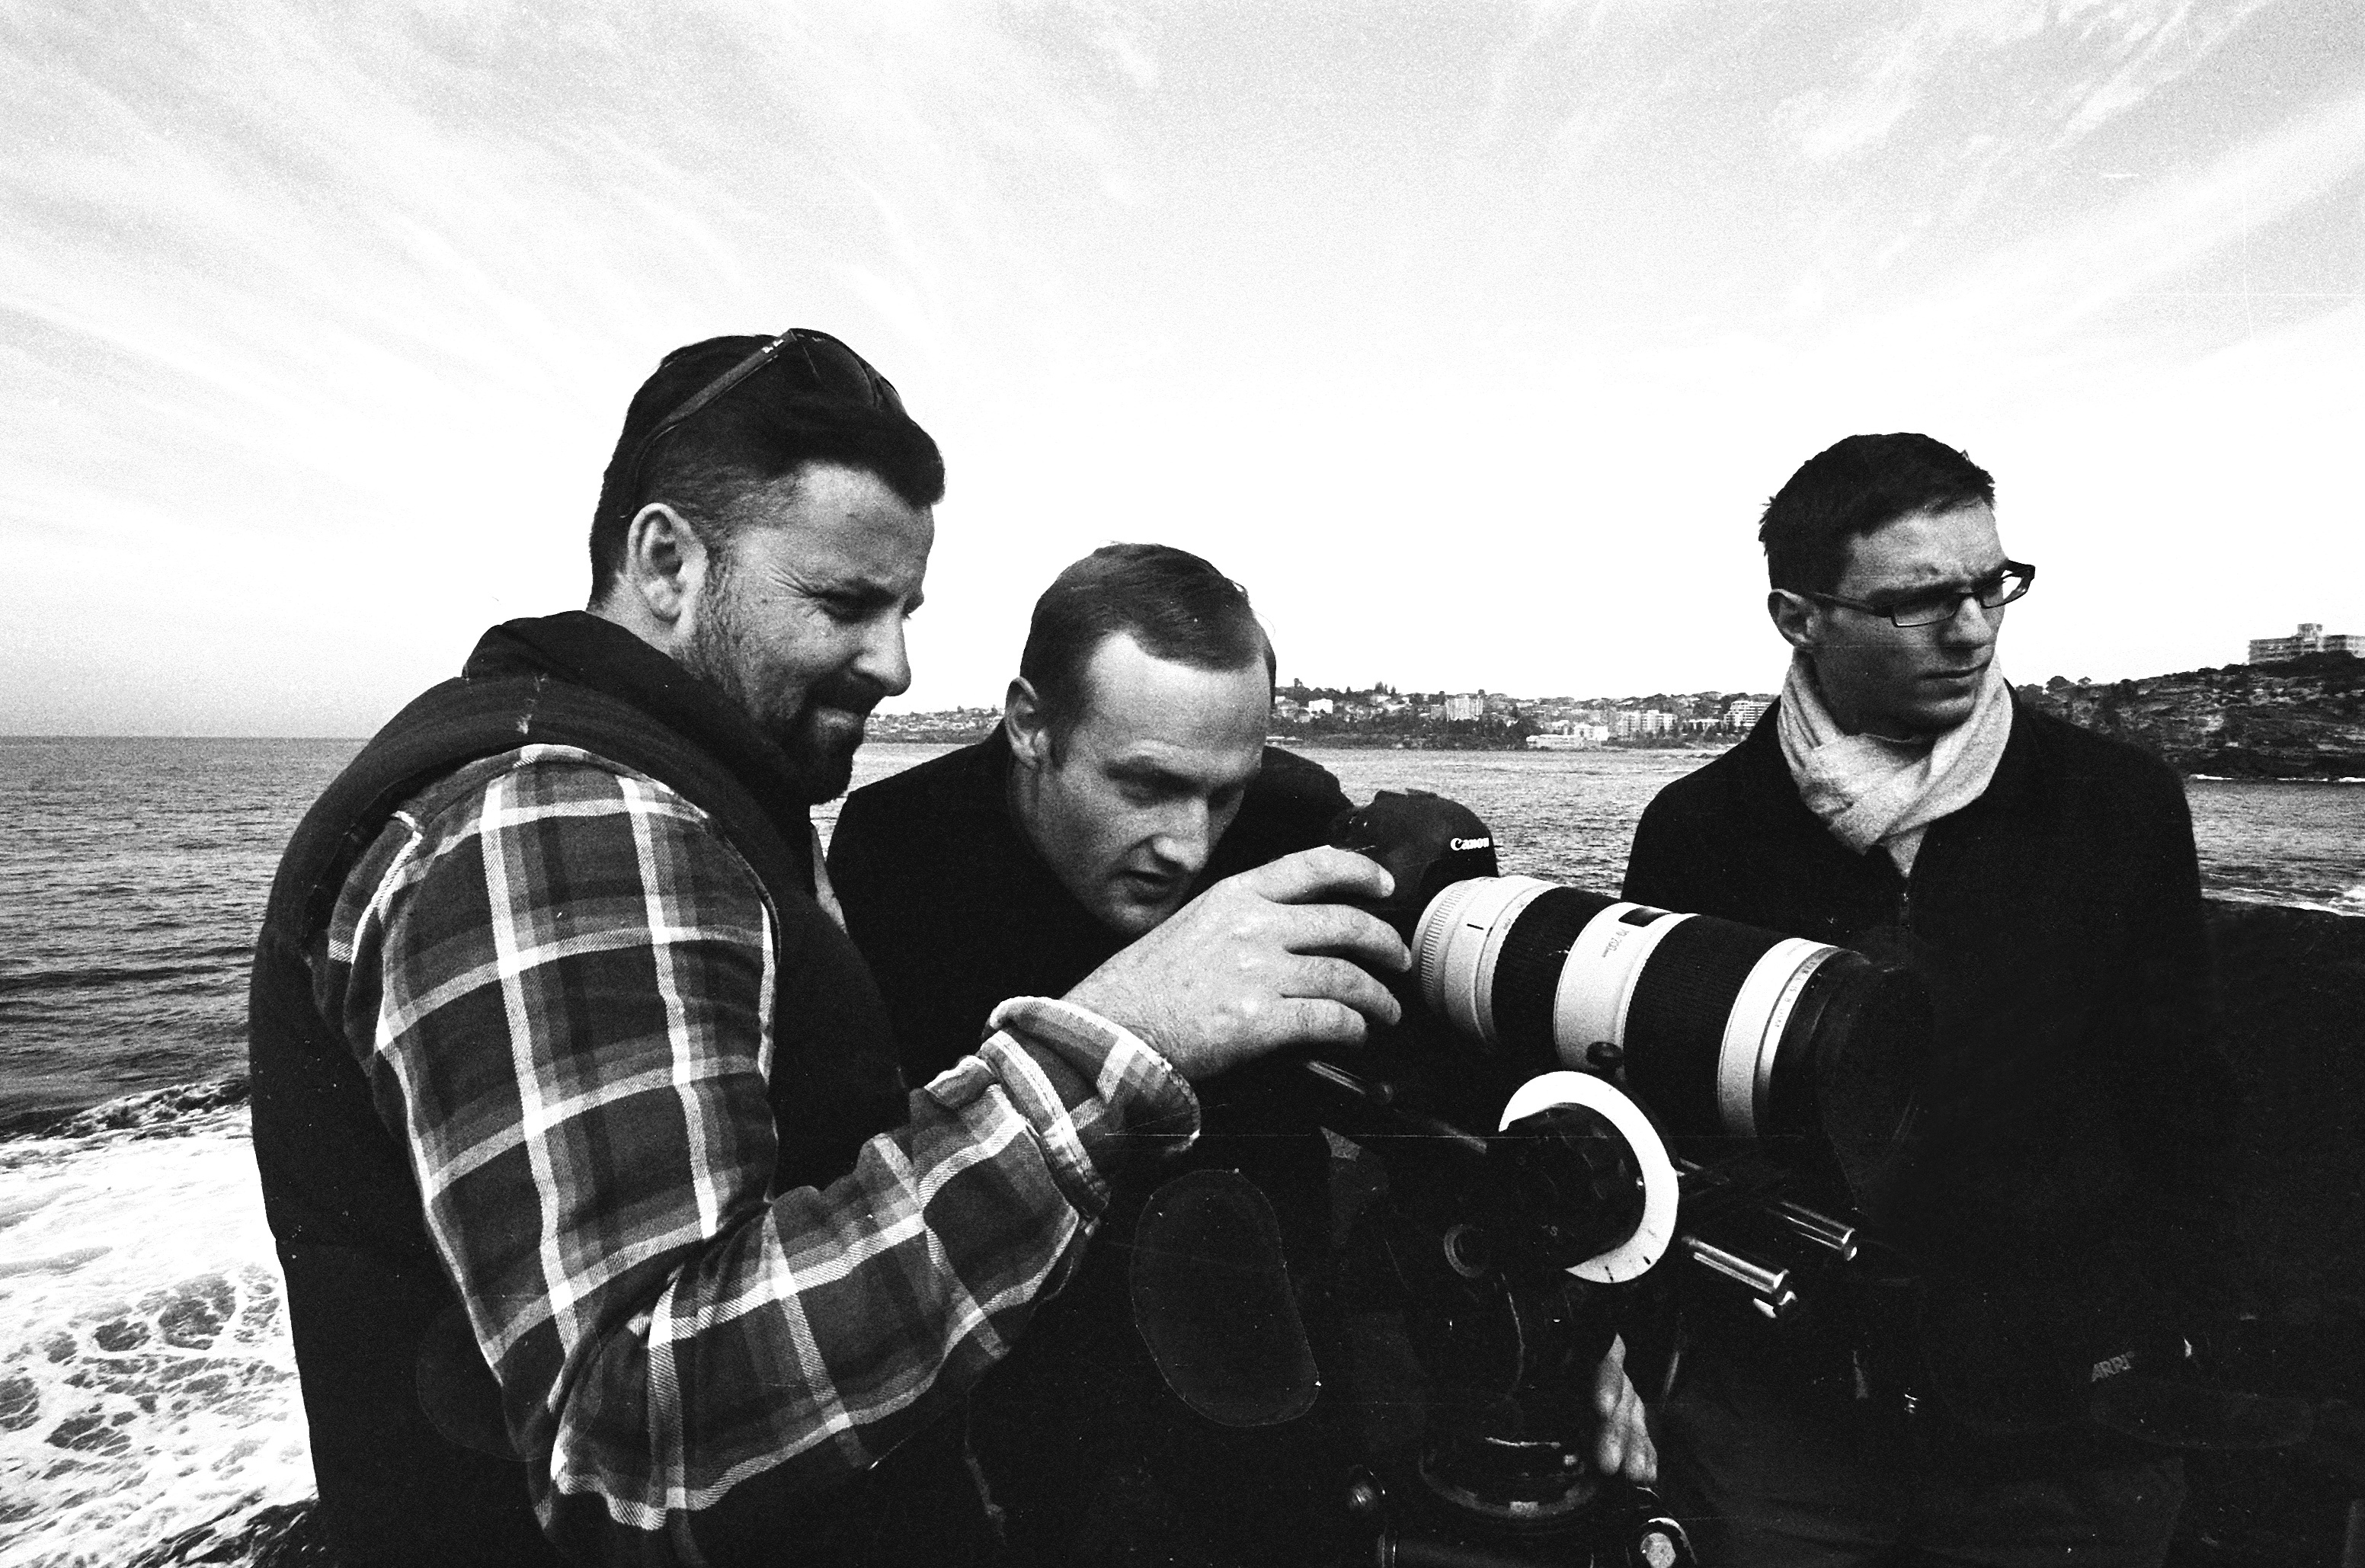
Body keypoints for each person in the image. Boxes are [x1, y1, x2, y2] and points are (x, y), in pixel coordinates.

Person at [247, 334, 1409, 1567]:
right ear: (664, 562)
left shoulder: (692, 798)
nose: (898, 665)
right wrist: (1114, 1047)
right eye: (843, 604)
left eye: (905, 609)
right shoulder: (558, 819)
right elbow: (645, 1439)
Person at [828, 542, 1654, 1566]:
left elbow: (1454, 1090)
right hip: (1022, 1345)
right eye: (1146, 784)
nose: (1190, 842)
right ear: (1031, 724)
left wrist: (1585, 1323)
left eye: (1225, 791)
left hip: (1258, 1322)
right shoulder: (902, 845)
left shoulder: (1297, 823)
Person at [1621, 433, 2237, 1567]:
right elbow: (1660, 1133)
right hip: (1788, 1412)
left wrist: (2174, 1349)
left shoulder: (2118, 805)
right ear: (1797, 616)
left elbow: (2181, 1093)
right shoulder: (1697, 831)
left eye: (1991, 584)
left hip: (2061, 1427)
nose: (1974, 627)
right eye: (1920, 599)